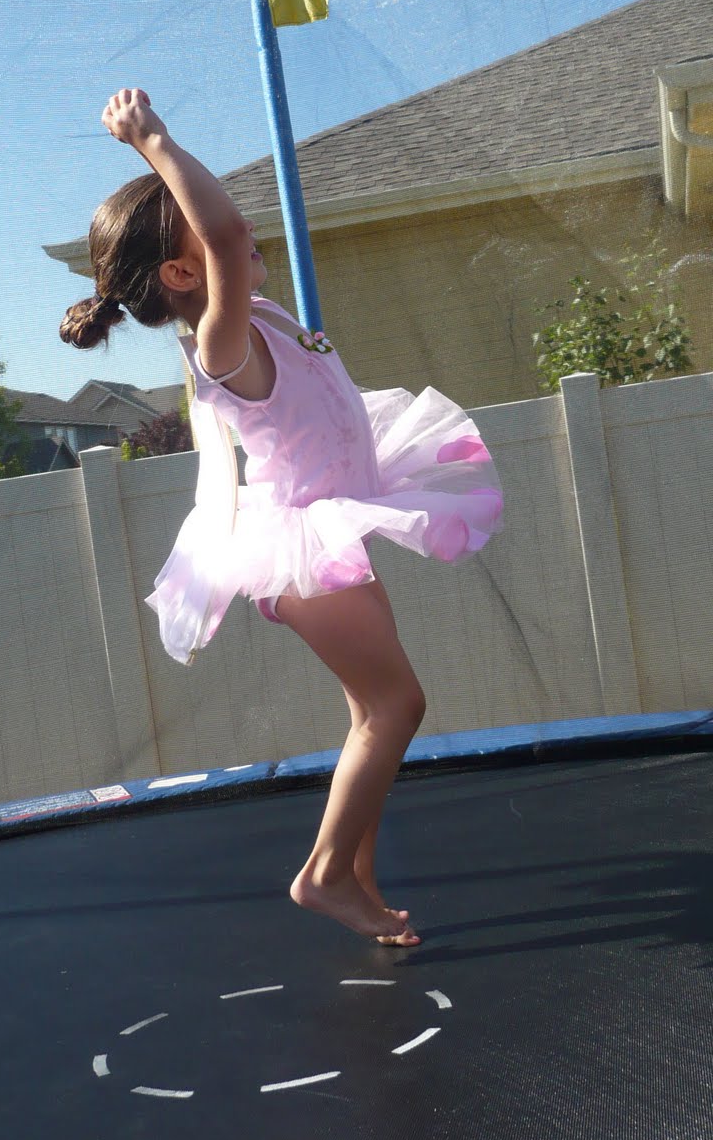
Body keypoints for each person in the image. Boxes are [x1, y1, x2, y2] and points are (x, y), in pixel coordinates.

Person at [60, 88, 504, 947]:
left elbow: (221, 232)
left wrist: (170, 173)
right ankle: (325, 875)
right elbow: (223, 235)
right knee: (395, 705)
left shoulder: (256, 313)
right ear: (186, 274)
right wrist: (152, 142)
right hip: (299, 547)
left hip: (329, 522)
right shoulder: (222, 340)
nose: (234, 222)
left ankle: (358, 873)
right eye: (203, 224)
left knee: (371, 710)